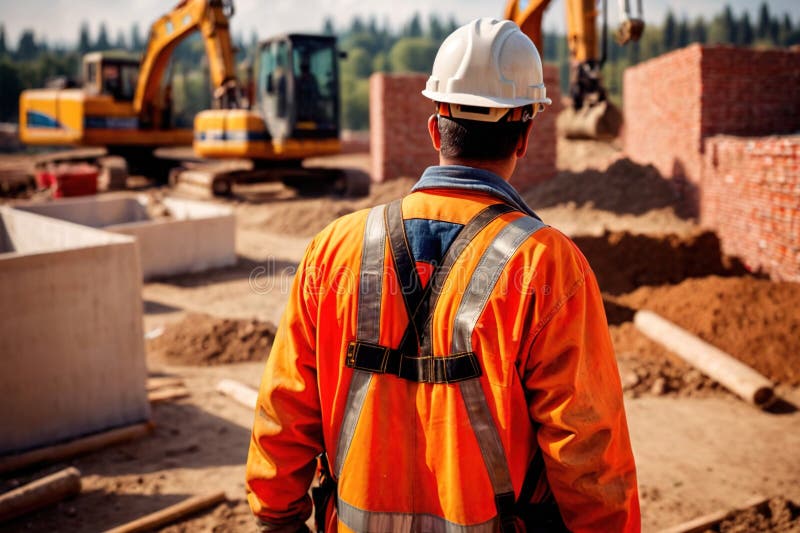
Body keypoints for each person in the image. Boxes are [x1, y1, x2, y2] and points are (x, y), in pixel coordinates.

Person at [246, 18, 640, 533]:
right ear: (524, 137)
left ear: (435, 129)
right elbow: (588, 450)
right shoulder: (548, 265)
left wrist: (278, 520)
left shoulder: (333, 249)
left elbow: (284, 409)